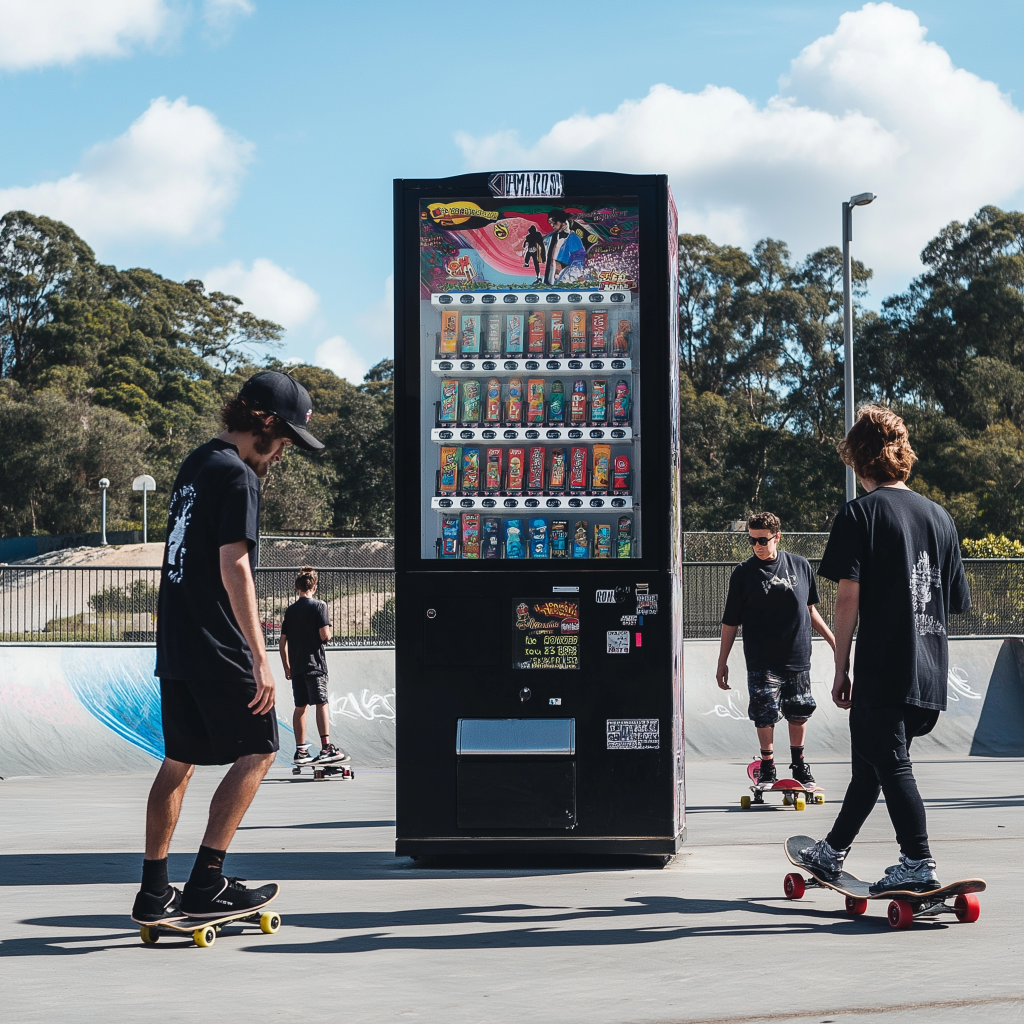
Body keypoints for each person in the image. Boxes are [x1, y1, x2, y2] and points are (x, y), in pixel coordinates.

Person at [131, 371, 325, 925]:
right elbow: (233, 564)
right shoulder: (239, 476)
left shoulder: (197, 462)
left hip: (178, 642)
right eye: (284, 438)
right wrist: (260, 657)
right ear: (263, 422)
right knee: (261, 749)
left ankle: (153, 892)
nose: (283, 453)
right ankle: (208, 883)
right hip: (219, 643)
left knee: (177, 762)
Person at [798, 406, 970, 893]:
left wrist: (840, 666)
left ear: (858, 459)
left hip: (883, 668)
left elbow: (847, 597)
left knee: (890, 765)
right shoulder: (940, 517)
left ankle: (918, 862)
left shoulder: (859, 514)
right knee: (870, 766)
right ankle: (831, 853)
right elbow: (954, 602)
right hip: (930, 673)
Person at [717, 512, 836, 787]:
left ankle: (799, 766)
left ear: (777, 537)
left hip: (797, 655)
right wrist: (722, 662)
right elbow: (730, 622)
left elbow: (809, 610)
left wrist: (833, 641)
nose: (757, 545)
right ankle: (768, 767)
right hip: (762, 659)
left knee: (799, 711)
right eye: (752, 540)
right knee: (764, 713)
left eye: (763, 540)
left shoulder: (800, 566)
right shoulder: (743, 573)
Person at [280, 566, 348, 766]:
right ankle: (326, 747)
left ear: (297, 586)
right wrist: (329, 631)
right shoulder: (319, 606)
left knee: (300, 706)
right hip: (315, 664)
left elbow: (282, 642)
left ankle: (301, 751)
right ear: (314, 586)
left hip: (297, 666)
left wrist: (287, 666)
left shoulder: (291, 610)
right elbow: (324, 636)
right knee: (321, 702)